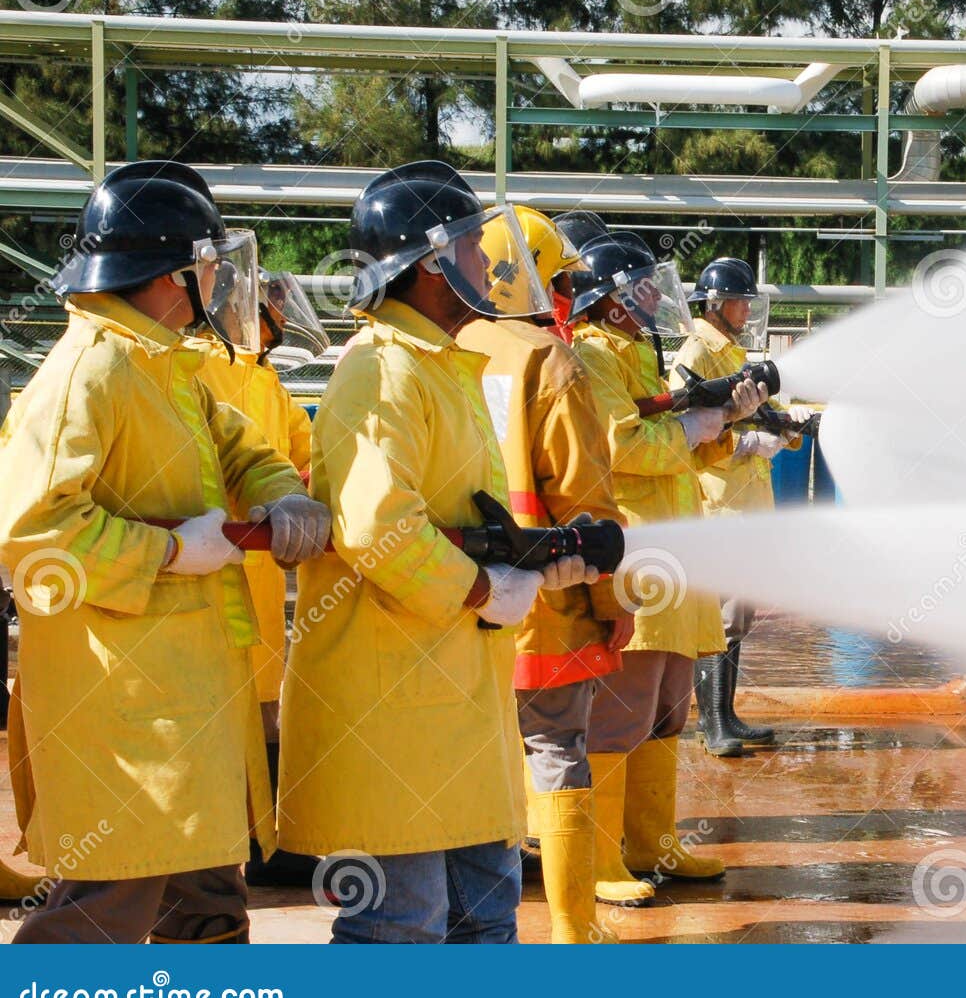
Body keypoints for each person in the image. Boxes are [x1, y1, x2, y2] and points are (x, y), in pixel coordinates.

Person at [0, 160, 329, 943]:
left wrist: (280, 494)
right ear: (174, 271)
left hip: (185, 703)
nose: (218, 277)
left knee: (210, 900)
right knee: (108, 902)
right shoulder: (92, 369)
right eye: (208, 260)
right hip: (125, 712)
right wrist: (169, 552)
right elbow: (31, 533)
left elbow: (242, 448)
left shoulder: (162, 363)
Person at [276, 162, 593, 944]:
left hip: (452, 699)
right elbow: (377, 526)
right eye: (473, 249)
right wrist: (486, 591)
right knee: (399, 926)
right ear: (430, 266)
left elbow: (463, 515)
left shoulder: (442, 367)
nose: (489, 265)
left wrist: (525, 561)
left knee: (483, 917)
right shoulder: (380, 370)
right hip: (391, 712)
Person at [567, 234, 762, 904]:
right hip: (640, 551)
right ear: (613, 300)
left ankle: (653, 843)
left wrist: (722, 422)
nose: (654, 298)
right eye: (642, 288)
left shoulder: (637, 353)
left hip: (676, 552)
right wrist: (693, 427)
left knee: (666, 710)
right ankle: (598, 859)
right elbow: (618, 446)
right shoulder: (593, 354)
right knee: (622, 714)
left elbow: (686, 448)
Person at [456, 204, 633, 942]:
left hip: (454, 603)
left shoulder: (443, 347)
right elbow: (586, 502)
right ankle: (571, 932)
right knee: (556, 751)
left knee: (467, 766)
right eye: (558, 277)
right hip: (548, 607)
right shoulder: (548, 359)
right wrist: (613, 598)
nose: (565, 291)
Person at [191, 270, 328, 885]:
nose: (277, 317)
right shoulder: (195, 367)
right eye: (270, 306)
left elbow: (302, 454)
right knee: (224, 712)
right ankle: (230, 844)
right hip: (211, 566)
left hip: (265, 570)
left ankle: (266, 842)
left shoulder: (263, 377)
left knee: (267, 710)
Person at [674, 257, 813, 756]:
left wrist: (789, 430)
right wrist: (749, 443)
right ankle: (713, 724)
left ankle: (725, 715)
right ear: (716, 303)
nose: (747, 307)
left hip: (747, 507)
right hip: (721, 508)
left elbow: (757, 419)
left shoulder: (732, 351)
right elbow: (688, 433)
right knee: (720, 617)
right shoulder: (697, 352)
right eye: (741, 299)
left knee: (739, 615)